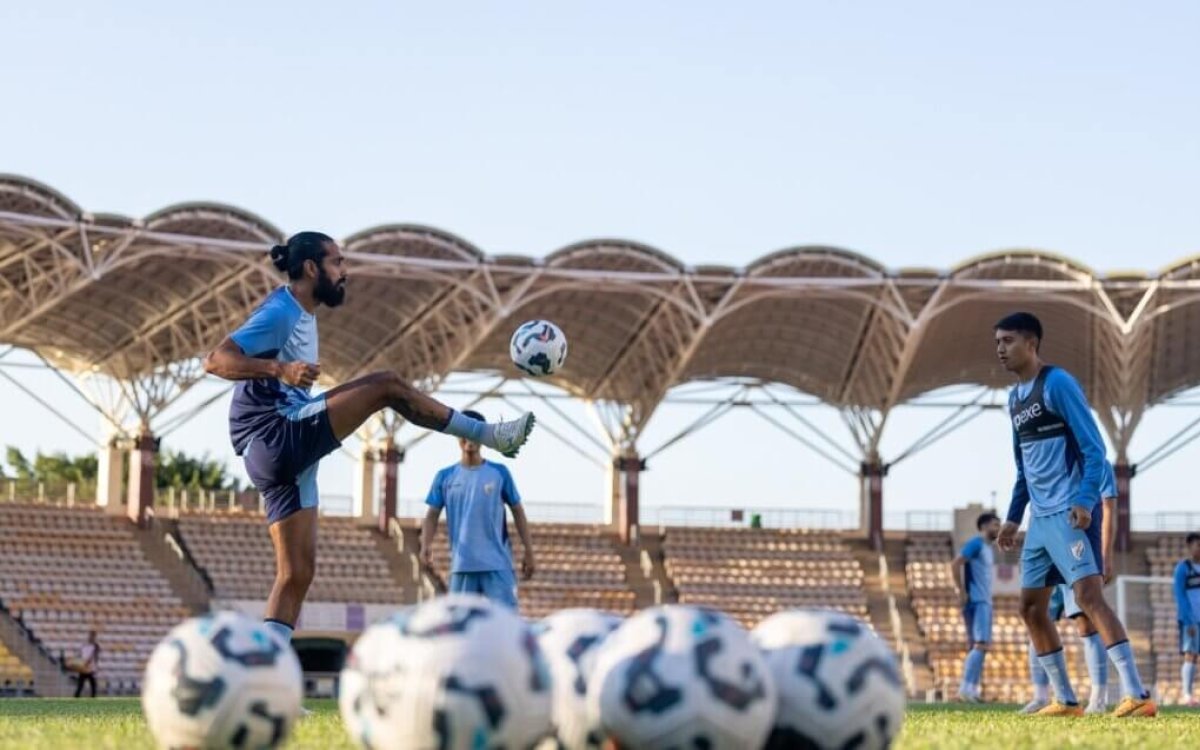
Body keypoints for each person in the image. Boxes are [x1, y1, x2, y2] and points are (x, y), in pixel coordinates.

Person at [204, 232, 536, 646]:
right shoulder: (282, 310)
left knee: (297, 574)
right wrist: (280, 370)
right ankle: (489, 434)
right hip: (274, 432)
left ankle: (266, 676)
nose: (345, 272)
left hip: (281, 450)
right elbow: (216, 360)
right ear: (311, 268)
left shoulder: (302, 314)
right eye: (337, 263)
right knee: (387, 386)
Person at [994, 312, 1155, 718]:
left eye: (1008, 340)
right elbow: (1023, 467)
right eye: (997, 341)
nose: (1000, 348)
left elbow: (1094, 449)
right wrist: (1014, 518)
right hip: (1040, 523)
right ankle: (1065, 700)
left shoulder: (1058, 384)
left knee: (1088, 598)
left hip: (1070, 514)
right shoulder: (1014, 399)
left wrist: (1084, 501)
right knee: (1030, 609)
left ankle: (1137, 695)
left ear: (1031, 344)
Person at [1020, 460, 1119, 714]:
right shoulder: (1048, 458)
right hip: (1047, 550)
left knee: (1086, 623)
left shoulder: (1099, 464)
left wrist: (1105, 557)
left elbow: (1109, 508)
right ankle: (1042, 695)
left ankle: (1098, 696)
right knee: (1037, 618)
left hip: (1078, 551)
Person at [420, 410, 536, 609]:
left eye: (474, 431)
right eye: (463, 431)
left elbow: (518, 510)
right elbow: (432, 514)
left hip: (498, 564)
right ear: (456, 435)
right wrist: (425, 545)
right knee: (459, 627)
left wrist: (529, 550)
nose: (469, 438)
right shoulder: (445, 477)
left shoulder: (499, 473)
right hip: (462, 565)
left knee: (506, 623)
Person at [951, 512, 1001, 702]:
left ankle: (972, 690)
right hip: (977, 600)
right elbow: (956, 563)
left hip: (985, 601)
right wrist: (961, 590)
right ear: (984, 526)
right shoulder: (976, 543)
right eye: (995, 525)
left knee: (982, 645)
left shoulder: (988, 549)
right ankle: (965, 689)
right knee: (979, 644)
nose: (998, 529)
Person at [1174, 532, 1200, 707]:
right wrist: (1188, 620)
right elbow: (1179, 595)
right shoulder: (1183, 568)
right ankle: (1187, 695)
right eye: (1198, 545)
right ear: (1190, 547)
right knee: (1191, 655)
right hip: (1192, 621)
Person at [73, 630, 99, 698]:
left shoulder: (95, 646)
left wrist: (93, 665)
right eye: (90, 635)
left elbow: (94, 656)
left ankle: (93, 698)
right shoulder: (84, 645)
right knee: (80, 684)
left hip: (90, 668)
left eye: (93, 636)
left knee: (93, 685)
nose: (91, 637)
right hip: (84, 667)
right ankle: (76, 697)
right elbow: (80, 654)